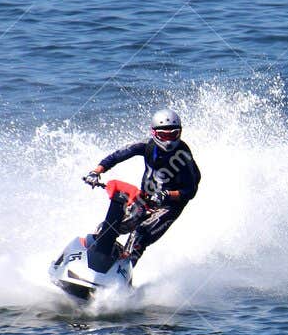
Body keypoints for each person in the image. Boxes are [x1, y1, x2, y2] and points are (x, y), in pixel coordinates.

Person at [84, 108, 202, 264]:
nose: (168, 141)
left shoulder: (183, 155)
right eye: (163, 135)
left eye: (173, 135)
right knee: (110, 227)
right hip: (146, 198)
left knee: (139, 235)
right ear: (154, 133)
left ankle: (124, 271)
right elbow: (117, 156)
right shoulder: (146, 145)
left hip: (169, 205)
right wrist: (96, 172)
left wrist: (167, 195)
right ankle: (88, 258)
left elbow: (190, 191)